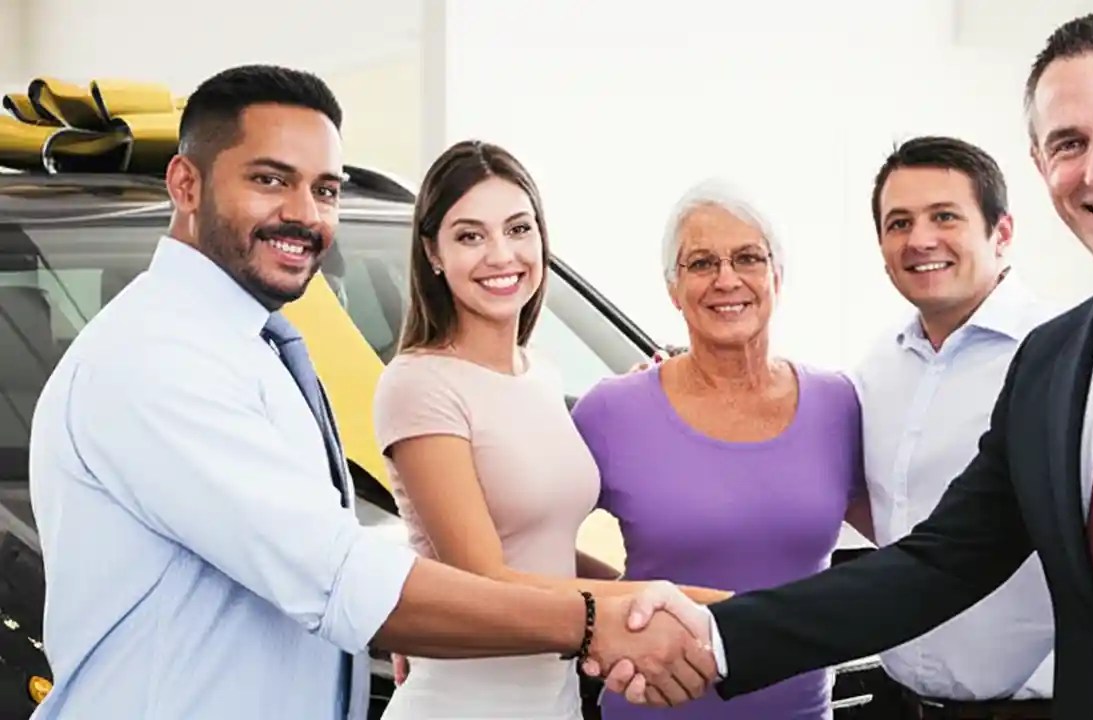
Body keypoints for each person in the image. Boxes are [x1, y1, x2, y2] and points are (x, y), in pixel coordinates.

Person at [600, 10, 1093, 720]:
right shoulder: (1054, 361)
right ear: (1043, 165)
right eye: (1069, 142)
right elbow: (943, 562)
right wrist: (717, 637)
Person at [25, 65, 715, 720]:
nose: (303, 214)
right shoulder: (159, 358)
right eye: (270, 180)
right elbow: (339, 579)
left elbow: (334, 544)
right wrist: (600, 622)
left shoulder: (249, 346)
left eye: (323, 190)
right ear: (186, 184)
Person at [372, 141, 729, 719]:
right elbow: (489, 580)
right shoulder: (419, 384)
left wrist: (648, 603)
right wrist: (689, 601)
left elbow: (547, 553)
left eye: (518, 229)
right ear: (432, 252)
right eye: (470, 235)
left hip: (553, 703)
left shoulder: (540, 371)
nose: (500, 254)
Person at [573, 179, 865, 719]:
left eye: (747, 258)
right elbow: (523, 541)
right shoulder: (612, 412)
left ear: (777, 276)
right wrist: (619, 605)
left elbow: (914, 538)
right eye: (702, 263)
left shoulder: (839, 404)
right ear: (672, 288)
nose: (726, 279)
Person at [852, 136, 1056, 718]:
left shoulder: (1065, 355)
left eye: (945, 216)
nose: (920, 240)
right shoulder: (877, 368)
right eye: (899, 223)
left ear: (1003, 231)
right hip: (898, 703)